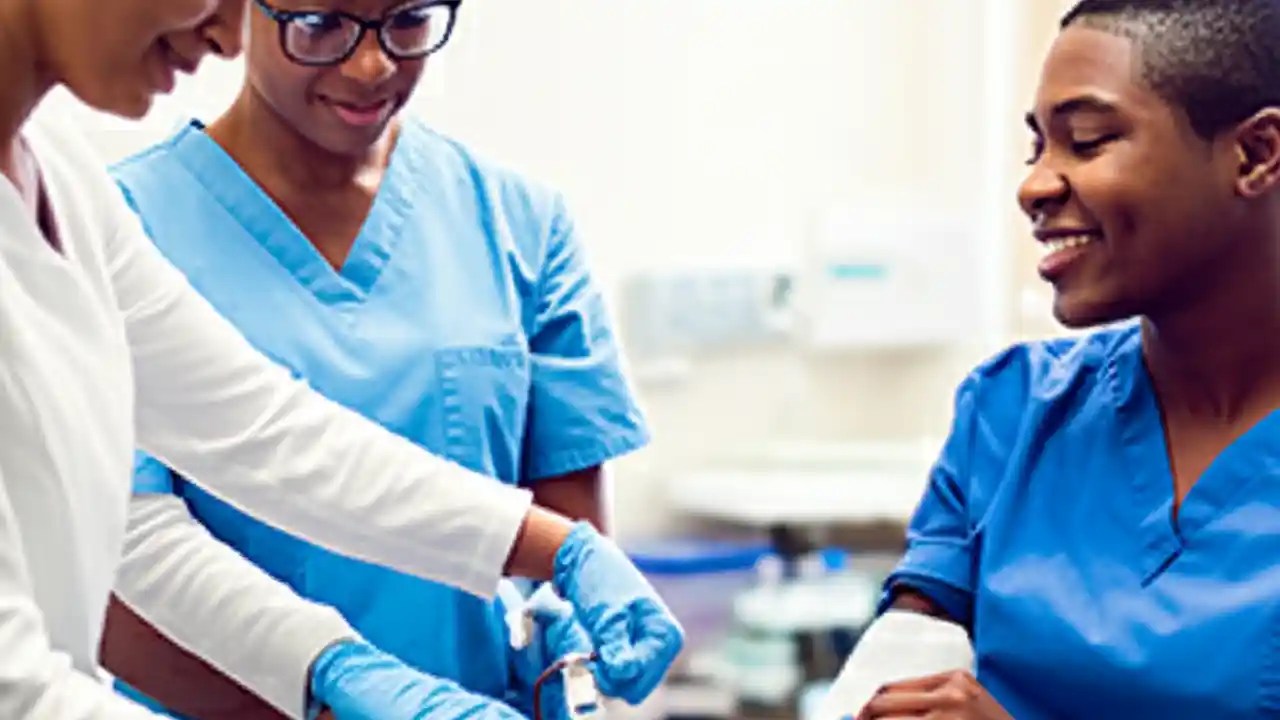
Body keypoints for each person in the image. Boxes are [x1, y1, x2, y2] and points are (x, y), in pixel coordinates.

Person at [0, 0, 681, 717]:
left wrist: (557, 549)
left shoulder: (63, 177)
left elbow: (262, 430)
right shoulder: (136, 197)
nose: (229, 36)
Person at [848, 0, 1280, 718]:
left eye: (1087, 140)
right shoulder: (1012, 411)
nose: (1034, 186)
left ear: (1256, 154)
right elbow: (899, 673)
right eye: (1036, 148)